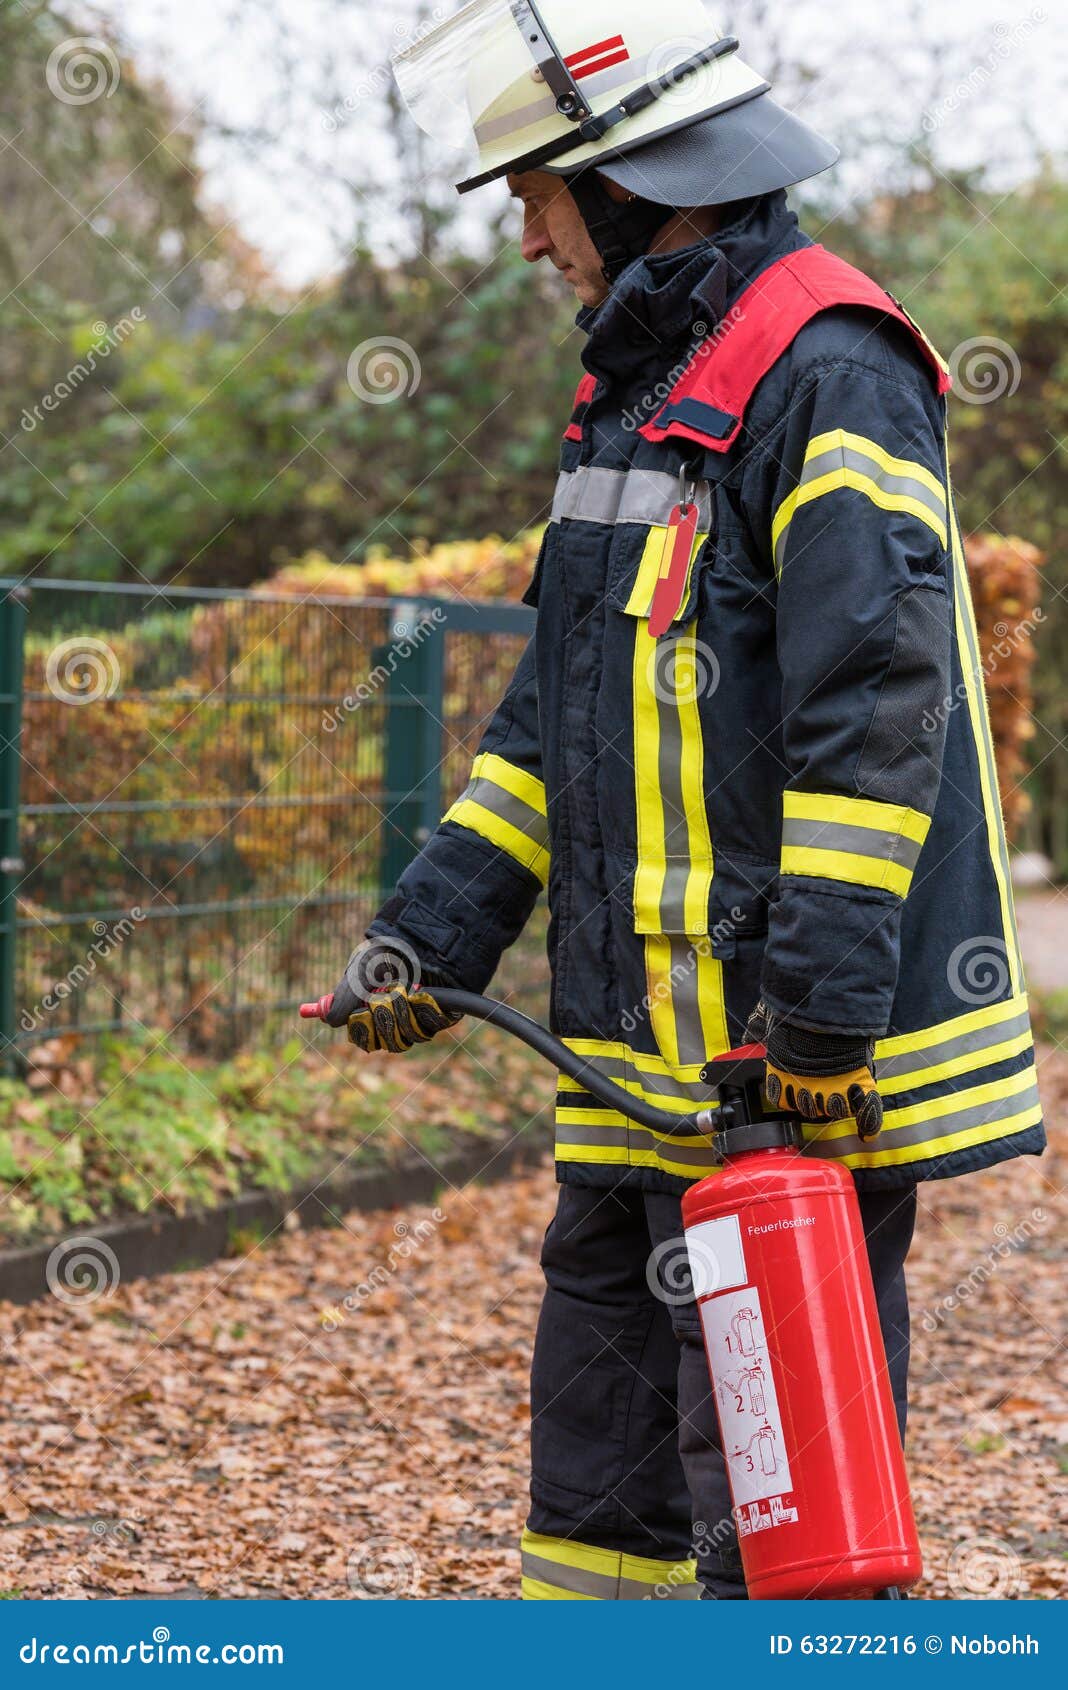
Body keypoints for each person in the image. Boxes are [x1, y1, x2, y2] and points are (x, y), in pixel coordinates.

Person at [311, 0, 1044, 1599]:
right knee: (600, 1503)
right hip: (635, 1059)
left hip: (774, 1074)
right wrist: (432, 938)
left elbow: (875, 713)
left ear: (632, 179)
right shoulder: (638, 392)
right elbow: (552, 723)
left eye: (537, 196)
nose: (528, 238)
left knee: (777, 1520)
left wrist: (817, 1030)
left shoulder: (833, 368)